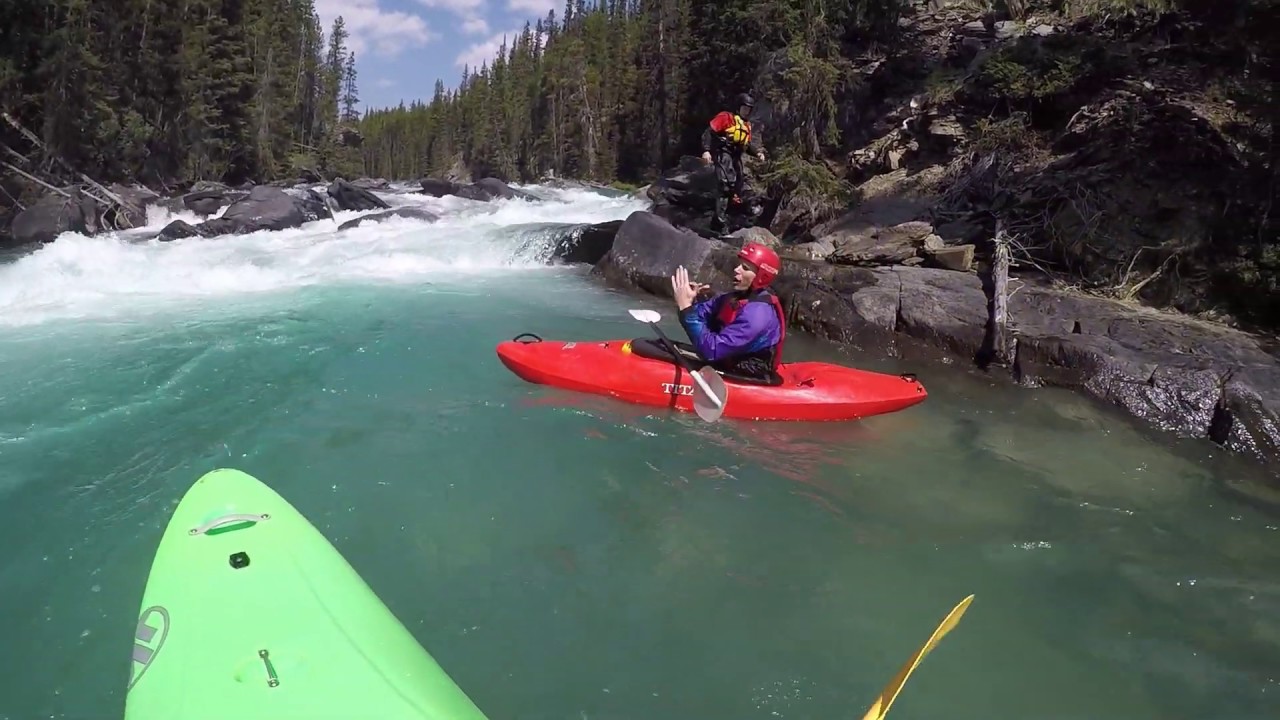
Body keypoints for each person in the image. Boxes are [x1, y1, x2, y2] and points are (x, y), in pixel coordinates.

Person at [668, 241, 787, 384]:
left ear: (762, 277)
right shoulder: (732, 298)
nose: (736, 269)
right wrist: (690, 301)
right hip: (725, 360)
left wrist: (686, 308)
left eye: (745, 268)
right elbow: (697, 316)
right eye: (739, 265)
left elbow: (712, 350)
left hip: (748, 375)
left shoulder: (757, 316)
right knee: (651, 345)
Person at [701, 92, 767, 234]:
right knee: (725, 184)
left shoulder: (746, 125)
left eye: (749, 109)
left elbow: (747, 146)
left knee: (736, 188)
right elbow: (708, 133)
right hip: (723, 154)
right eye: (744, 108)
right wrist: (706, 150)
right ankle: (720, 224)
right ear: (738, 107)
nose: (746, 111)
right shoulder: (726, 118)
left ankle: (719, 221)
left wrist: (758, 153)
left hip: (735, 157)